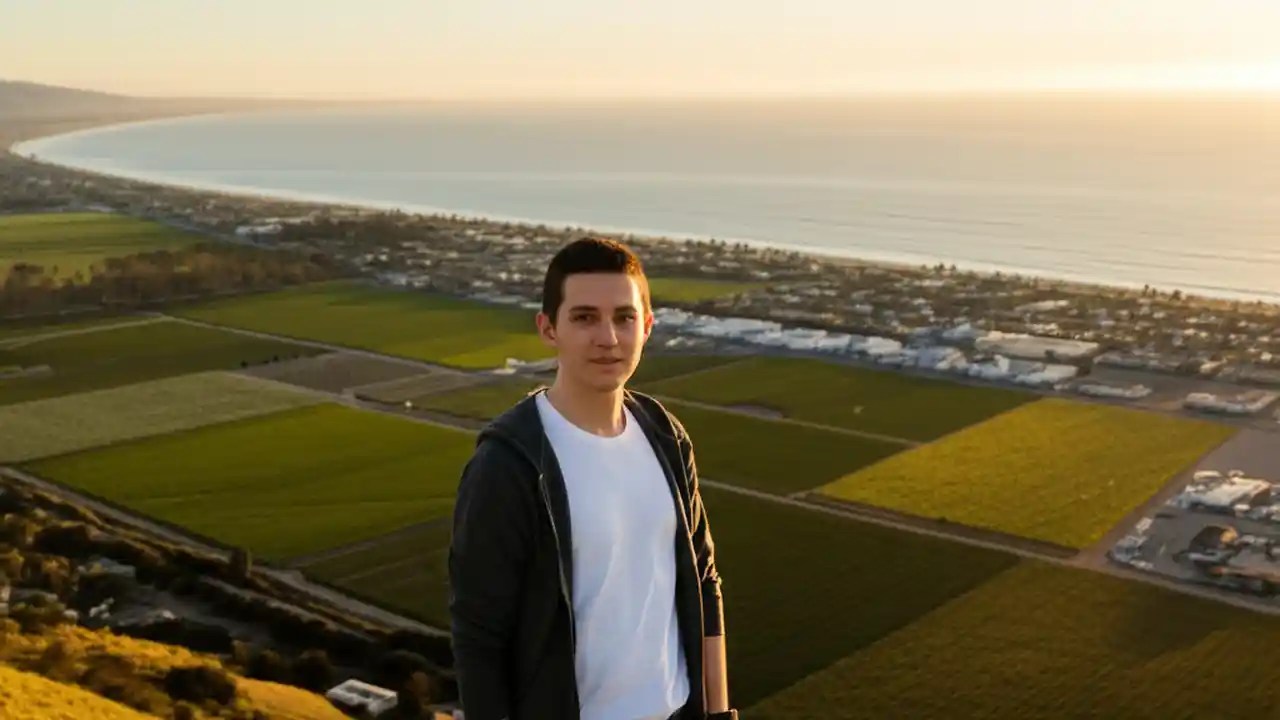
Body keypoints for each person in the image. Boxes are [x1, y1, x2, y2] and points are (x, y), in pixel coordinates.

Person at [449, 237, 737, 720]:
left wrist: (720, 714)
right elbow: (478, 636)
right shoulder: (509, 463)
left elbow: (705, 581)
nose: (608, 337)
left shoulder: (665, 436)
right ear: (549, 329)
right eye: (585, 318)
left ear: (647, 326)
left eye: (624, 317)